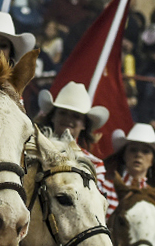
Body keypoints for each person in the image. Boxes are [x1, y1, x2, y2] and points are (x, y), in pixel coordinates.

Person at [37, 80, 116, 208]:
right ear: (52, 117)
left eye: (75, 116)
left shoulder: (95, 165)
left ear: (84, 124)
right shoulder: (33, 150)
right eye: (62, 113)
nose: (68, 119)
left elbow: (92, 205)